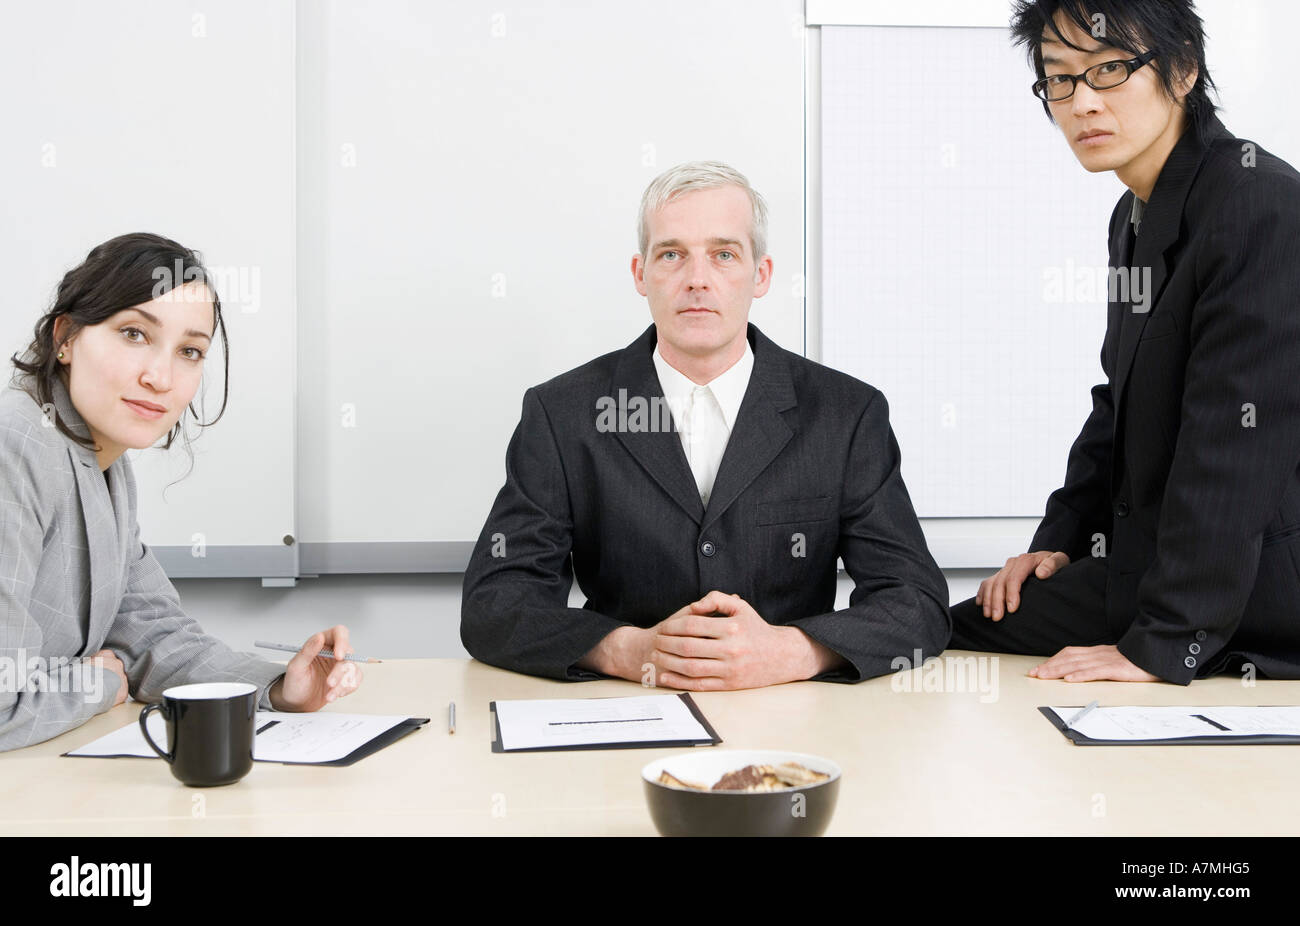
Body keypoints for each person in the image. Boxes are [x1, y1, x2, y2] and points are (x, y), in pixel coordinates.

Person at [461, 161, 949, 689]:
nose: (697, 279)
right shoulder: (563, 413)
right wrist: (626, 650)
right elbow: (495, 600)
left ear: (760, 275)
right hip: (626, 714)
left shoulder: (846, 414)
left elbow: (916, 603)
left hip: (794, 716)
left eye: (723, 255)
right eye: (671, 255)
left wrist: (795, 651)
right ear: (640, 273)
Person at [950, 0, 1300, 683]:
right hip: (1149, 566)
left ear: (1183, 71)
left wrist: (1165, 643)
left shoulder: (1260, 204)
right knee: (949, 628)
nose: (1081, 103)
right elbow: (1119, 401)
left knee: (943, 636)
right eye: (1060, 78)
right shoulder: (1134, 214)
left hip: (1252, 588)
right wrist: (1056, 546)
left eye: (1110, 69)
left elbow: (1237, 444)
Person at [0, 232, 362, 751]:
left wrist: (281, 688)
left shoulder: (100, 457)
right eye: (133, 334)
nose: (160, 377)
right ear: (66, 337)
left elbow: (148, 633)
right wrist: (100, 682)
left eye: (190, 351)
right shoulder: (15, 445)